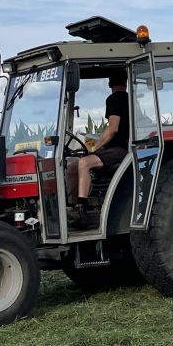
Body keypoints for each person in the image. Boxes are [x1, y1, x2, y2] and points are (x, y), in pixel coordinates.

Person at [66, 69, 129, 227]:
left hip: (122, 149)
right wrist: (94, 145)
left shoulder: (114, 99)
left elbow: (113, 128)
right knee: (73, 166)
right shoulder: (131, 99)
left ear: (110, 84)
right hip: (116, 147)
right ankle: (70, 207)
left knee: (84, 163)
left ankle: (81, 208)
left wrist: (94, 148)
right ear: (126, 82)